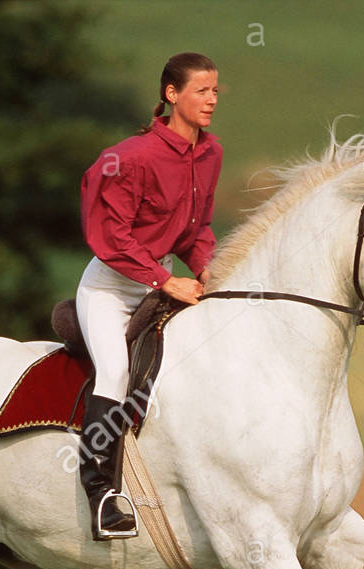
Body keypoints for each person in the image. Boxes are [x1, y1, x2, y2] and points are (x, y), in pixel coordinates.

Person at [75, 52, 222, 540]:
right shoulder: (130, 158)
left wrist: (211, 272)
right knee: (115, 370)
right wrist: (166, 280)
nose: (212, 100)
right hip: (111, 287)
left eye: (216, 91)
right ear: (171, 94)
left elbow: (195, 231)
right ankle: (100, 494)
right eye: (202, 91)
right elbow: (111, 237)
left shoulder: (209, 154)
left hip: (159, 284)